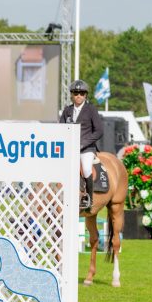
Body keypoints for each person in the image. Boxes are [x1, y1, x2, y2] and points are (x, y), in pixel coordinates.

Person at [59, 80, 104, 211]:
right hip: (69, 149)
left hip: (86, 148)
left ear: (85, 95)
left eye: (81, 93)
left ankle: (89, 198)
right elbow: (61, 128)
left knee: (86, 169)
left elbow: (99, 131)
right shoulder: (67, 111)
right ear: (72, 95)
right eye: (76, 93)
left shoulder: (91, 109)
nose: (79, 95)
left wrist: (83, 143)